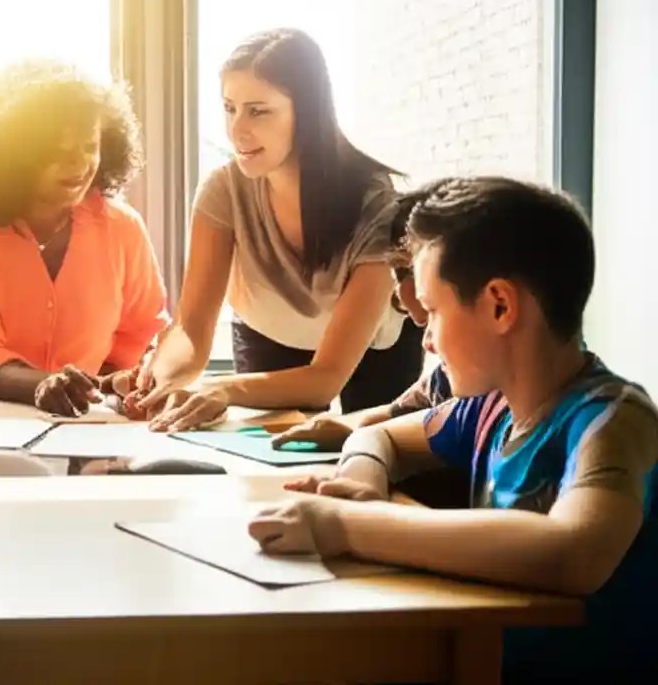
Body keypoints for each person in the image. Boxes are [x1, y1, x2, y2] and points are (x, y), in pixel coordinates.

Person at [249, 177, 658, 683]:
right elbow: (377, 437)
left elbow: (575, 551)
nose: (427, 341)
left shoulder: (614, 419)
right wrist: (360, 484)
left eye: (434, 312)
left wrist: (343, 524)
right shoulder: (488, 409)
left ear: (500, 306)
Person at [134, 28, 422, 431]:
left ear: (306, 113)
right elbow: (192, 330)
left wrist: (222, 389)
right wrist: (163, 376)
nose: (237, 130)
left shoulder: (373, 201)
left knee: (375, 453)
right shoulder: (223, 188)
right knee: (261, 458)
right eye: (229, 108)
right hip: (269, 328)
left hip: (370, 348)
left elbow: (326, 379)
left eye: (258, 111)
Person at [0, 59, 169, 417]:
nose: (78, 166)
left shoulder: (122, 227)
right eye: (57, 153)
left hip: (84, 423)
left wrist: (101, 389)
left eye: (89, 147)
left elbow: (141, 332)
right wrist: (42, 385)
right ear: (12, 156)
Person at [271, 188, 450, 451]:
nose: (428, 344)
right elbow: (395, 415)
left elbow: (405, 432)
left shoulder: (478, 402)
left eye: (405, 270)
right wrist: (348, 429)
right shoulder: (445, 379)